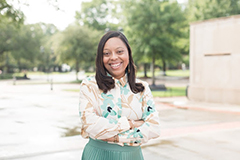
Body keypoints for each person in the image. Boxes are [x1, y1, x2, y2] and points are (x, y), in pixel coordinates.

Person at [79, 31, 160, 160]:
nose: (113, 57)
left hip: (132, 156)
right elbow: (90, 125)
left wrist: (115, 137)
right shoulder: (89, 85)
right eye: (106, 53)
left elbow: (154, 128)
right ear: (100, 58)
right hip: (97, 155)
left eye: (119, 51)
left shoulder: (142, 88)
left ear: (128, 53)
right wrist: (130, 124)